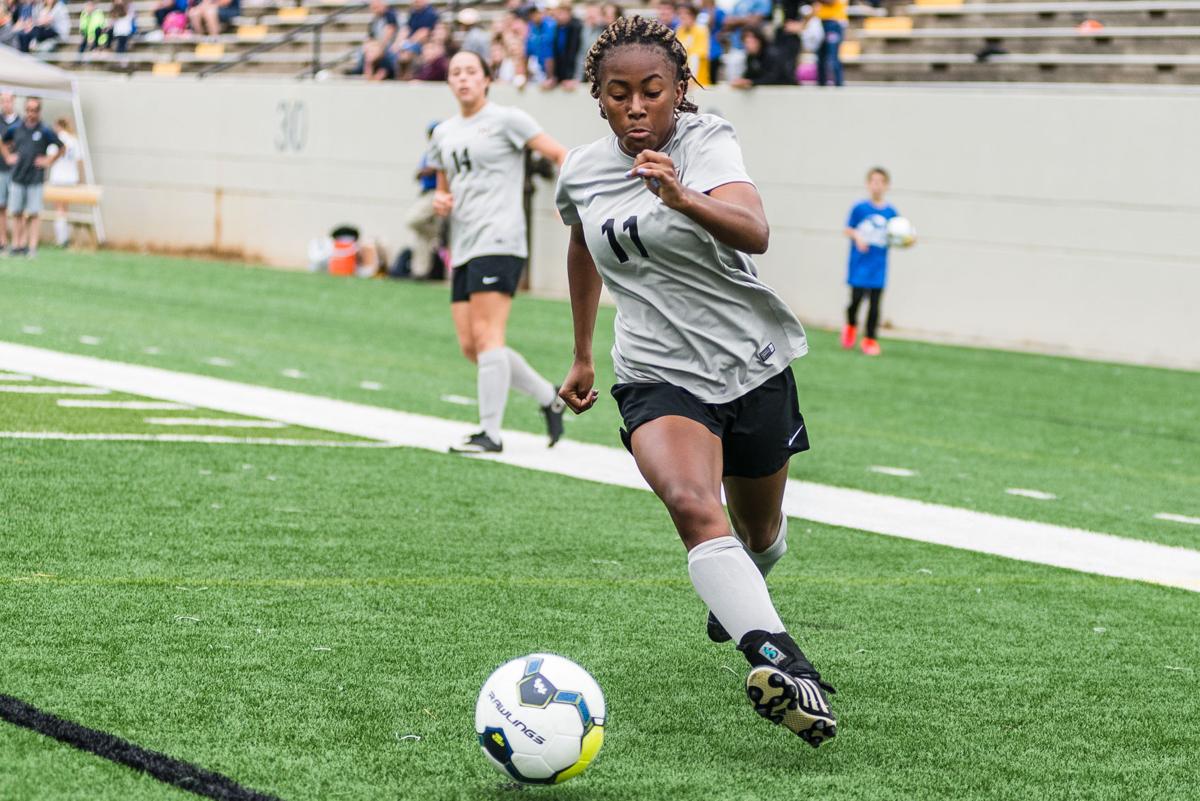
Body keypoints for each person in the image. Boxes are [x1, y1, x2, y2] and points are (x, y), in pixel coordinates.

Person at [557, 15, 836, 747]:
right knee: (689, 500)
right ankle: (782, 660)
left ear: (680, 90)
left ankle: (741, 586)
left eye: (653, 90)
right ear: (600, 99)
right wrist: (584, 352)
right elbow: (583, 242)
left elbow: (754, 229)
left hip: (749, 364)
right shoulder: (583, 170)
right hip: (655, 373)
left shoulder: (705, 142)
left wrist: (682, 197)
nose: (637, 106)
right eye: (620, 94)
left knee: (761, 533)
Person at [428, 50, 569, 454]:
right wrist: (441, 199)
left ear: (487, 78)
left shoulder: (508, 119)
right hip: (466, 244)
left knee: (490, 336)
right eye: (456, 72)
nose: (463, 78)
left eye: (471, 71)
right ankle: (548, 395)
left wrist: (569, 203)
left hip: (501, 239)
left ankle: (490, 434)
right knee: (472, 347)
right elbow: (443, 185)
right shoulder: (444, 132)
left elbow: (560, 154)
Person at [842, 167, 901, 356]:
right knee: (856, 301)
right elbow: (847, 229)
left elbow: (899, 234)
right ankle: (851, 326)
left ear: (887, 186)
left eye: (881, 182)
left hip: (878, 266)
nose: (877, 186)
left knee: (875, 305)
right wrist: (857, 236)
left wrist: (909, 239)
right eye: (873, 181)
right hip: (859, 265)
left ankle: (869, 340)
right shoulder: (860, 209)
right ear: (868, 184)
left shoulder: (891, 212)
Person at [0, 98, 62, 258]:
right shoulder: (16, 128)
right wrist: (8, 156)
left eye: (34, 110)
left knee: (34, 213)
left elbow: (62, 147)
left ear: (39, 111)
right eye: (28, 110)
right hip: (17, 176)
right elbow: (2, 141)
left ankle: (32, 246)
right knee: (17, 212)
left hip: (35, 178)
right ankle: (17, 245)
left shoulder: (45, 130)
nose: (30, 113)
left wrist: (48, 161)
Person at [47, 117, 82, 248]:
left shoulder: (56, 139)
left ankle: (61, 238)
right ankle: (64, 237)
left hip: (58, 178)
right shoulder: (74, 140)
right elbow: (79, 160)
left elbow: (50, 158)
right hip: (71, 178)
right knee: (65, 209)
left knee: (58, 208)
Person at [730, 25, 795, 87]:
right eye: (746, 42)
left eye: (752, 42)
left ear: (760, 40)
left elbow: (775, 78)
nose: (749, 45)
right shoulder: (751, 58)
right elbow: (749, 76)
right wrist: (742, 81)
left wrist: (751, 82)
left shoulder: (772, 54)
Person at [546, 0, 582, 89]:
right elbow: (555, 53)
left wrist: (572, 77)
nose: (557, 16)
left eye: (560, 13)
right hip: (560, 77)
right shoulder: (556, 28)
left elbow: (575, 54)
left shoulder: (577, 27)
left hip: (572, 77)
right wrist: (554, 77)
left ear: (568, 13)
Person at [811, 0, 847, 86]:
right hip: (820, 22)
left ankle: (838, 84)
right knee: (820, 56)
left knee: (832, 56)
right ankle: (821, 84)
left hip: (833, 22)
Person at [0, 93, 19, 252]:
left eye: (8, 101)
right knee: (2, 206)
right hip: (1, 170)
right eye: (3, 101)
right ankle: (2, 240)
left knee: (18, 208)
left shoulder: (21, 122)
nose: (6, 104)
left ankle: (18, 242)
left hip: (18, 172)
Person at [673, 3, 709, 86]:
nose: (682, 16)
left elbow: (696, 56)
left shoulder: (701, 30)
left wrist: (691, 79)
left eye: (686, 13)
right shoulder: (679, 30)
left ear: (693, 16)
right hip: (682, 79)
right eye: (680, 13)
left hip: (698, 80)